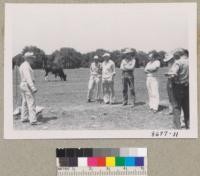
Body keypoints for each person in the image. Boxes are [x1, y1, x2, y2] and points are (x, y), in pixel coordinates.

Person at [167, 49, 189, 129]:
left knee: (176, 107)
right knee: (187, 108)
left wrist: (169, 75)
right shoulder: (190, 61)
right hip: (187, 86)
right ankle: (188, 126)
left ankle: (177, 127)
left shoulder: (178, 62)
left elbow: (173, 74)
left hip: (178, 86)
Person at [19, 52, 39, 125]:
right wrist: (33, 87)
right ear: (28, 58)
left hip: (23, 85)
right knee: (31, 102)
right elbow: (28, 77)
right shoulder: (26, 66)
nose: (33, 59)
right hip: (27, 85)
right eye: (32, 58)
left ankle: (24, 118)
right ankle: (33, 120)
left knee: (24, 102)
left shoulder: (23, 65)